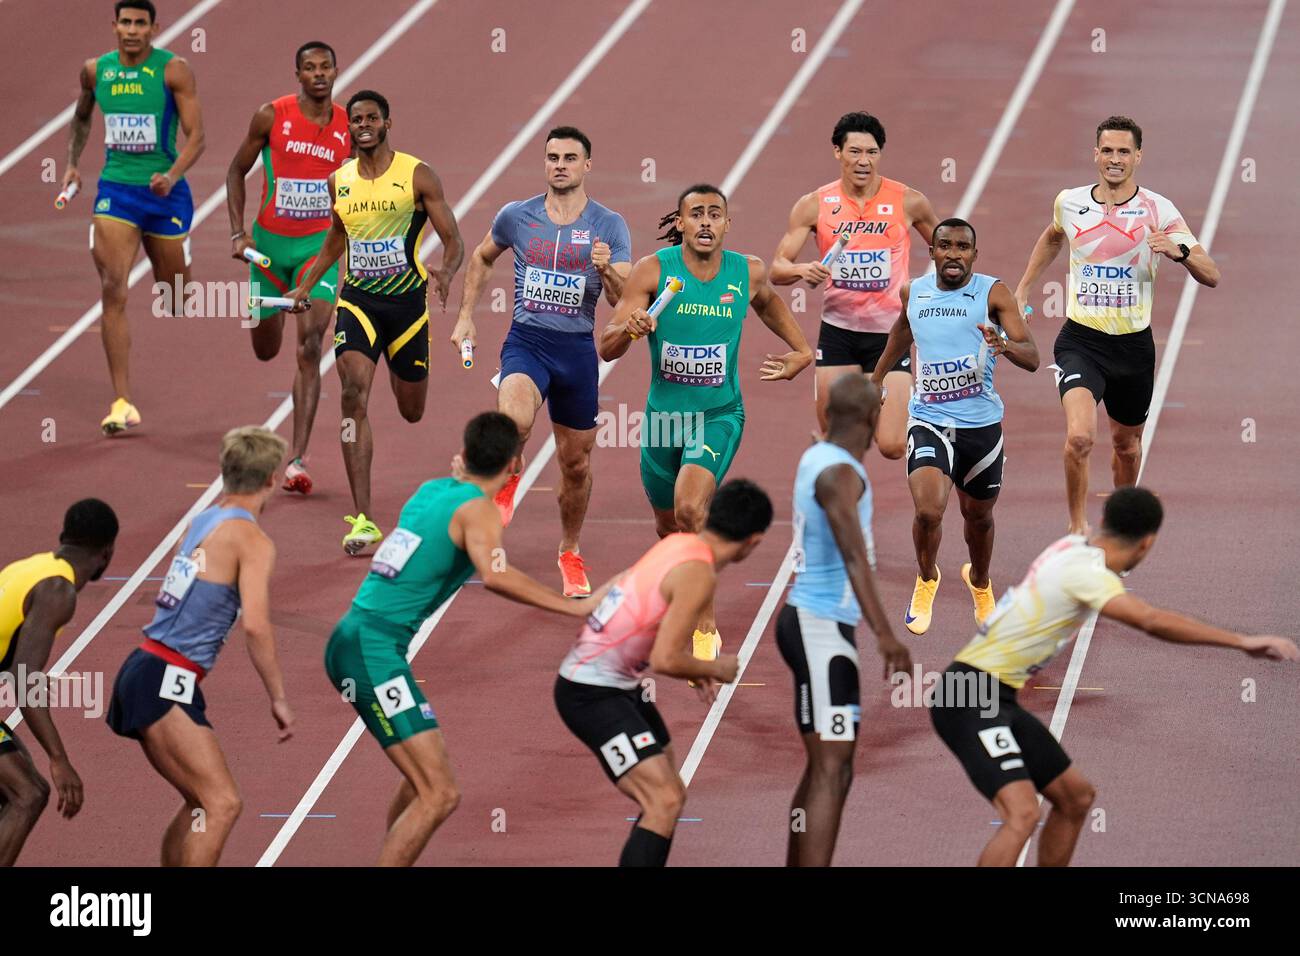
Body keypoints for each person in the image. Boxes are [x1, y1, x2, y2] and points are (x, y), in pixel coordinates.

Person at [930, 486, 1298, 866]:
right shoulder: (1088, 573)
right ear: (1146, 544)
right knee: (1022, 815)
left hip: (993, 695)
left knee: (1075, 798)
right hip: (968, 695)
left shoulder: (1071, 546)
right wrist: (1241, 641)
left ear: (1104, 520)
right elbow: (1151, 621)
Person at [324, 412, 602, 866]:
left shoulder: (431, 491)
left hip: (355, 638)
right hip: (372, 652)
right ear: (517, 463)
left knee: (422, 780)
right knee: (441, 794)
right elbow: (494, 575)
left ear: (465, 453)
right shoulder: (478, 511)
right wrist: (569, 605)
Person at [600, 183, 812, 662]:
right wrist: (628, 330)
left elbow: (768, 302)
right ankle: (681, 583)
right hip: (661, 421)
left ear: (727, 224)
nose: (705, 223)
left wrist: (802, 350)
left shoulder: (746, 271)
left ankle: (704, 624)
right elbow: (606, 345)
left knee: (692, 512)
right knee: (669, 526)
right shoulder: (654, 271)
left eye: (715, 214)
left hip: (718, 415)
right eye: (695, 214)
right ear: (680, 223)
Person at [1013, 115, 1219, 534]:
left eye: (1124, 151)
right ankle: (1076, 531)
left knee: (1126, 446)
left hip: (1133, 348)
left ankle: (1121, 528)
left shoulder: (1159, 209)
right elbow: (1054, 235)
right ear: (1095, 154)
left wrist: (1178, 251)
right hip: (1081, 342)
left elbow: (1211, 273)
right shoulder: (1070, 202)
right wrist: (1022, 289)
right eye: (1107, 150)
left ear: (1138, 157)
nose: (1114, 159)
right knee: (1080, 438)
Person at [450, 127, 632, 596]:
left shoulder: (609, 226)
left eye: (570, 158)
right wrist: (467, 317)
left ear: (587, 165)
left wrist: (605, 267)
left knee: (575, 465)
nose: (560, 165)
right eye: (552, 156)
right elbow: (482, 256)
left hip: (576, 353)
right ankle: (511, 476)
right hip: (526, 341)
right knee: (513, 420)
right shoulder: (517, 216)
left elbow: (621, 300)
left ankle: (569, 551)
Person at [554, 479, 772, 866]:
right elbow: (666, 659)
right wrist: (713, 666)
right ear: (753, 542)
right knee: (664, 799)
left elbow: (626, 583)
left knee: (668, 786)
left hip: (618, 684)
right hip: (590, 692)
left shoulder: (676, 544)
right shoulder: (699, 573)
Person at [106, 427, 294, 866]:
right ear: (270, 479)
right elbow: (257, 626)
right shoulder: (252, 540)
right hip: (167, 678)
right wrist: (279, 697)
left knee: (198, 804)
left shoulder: (200, 521)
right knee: (222, 804)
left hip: (144, 668)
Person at [287, 90, 464, 553]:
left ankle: (402, 369)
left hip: (407, 308)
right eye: (357, 119)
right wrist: (306, 286)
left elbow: (453, 237)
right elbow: (336, 238)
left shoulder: (416, 175)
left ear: (388, 122)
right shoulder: (339, 180)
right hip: (358, 302)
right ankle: (363, 518)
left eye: (372, 118)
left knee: (411, 410)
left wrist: (445, 270)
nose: (363, 125)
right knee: (351, 393)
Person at [871, 219, 1038, 634]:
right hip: (929, 420)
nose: (953, 254)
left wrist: (1004, 345)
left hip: (981, 427)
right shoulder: (914, 292)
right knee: (929, 510)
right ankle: (927, 576)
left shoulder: (992, 293)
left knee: (977, 517)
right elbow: (902, 332)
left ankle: (979, 582)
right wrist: (874, 381)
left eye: (963, 247)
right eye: (944, 246)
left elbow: (1033, 356)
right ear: (932, 251)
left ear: (974, 256)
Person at [777, 374, 911, 866]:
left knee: (827, 768)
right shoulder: (839, 475)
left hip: (813, 622)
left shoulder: (820, 456)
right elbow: (854, 556)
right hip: (820, 626)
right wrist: (887, 637)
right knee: (833, 769)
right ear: (873, 420)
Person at [61, 0, 206, 435]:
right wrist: (71, 162)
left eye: (140, 24)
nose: (132, 30)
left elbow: (197, 136)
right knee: (112, 286)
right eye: (125, 22)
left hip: (164, 194)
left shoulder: (173, 71)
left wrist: (173, 174)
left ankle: (181, 258)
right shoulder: (95, 71)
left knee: (176, 299)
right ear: (114, 26)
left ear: (154, 28)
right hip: (117, 192)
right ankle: (122, 400)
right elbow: (82, 116)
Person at [770, 111, 938, 448]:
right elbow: (777, 269)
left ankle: (927, 423)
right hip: (838, 335)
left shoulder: (909, 201)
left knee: (891, 445)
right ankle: (846, 493)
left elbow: (947, 248)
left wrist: (934, 295)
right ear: (837, 152)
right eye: (855, 152)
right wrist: (803, 270)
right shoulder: (814, 204)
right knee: (837, 439)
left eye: (872, 152)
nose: (864, 161)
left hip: (890, 336)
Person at [226, 41, 350, 494]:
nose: (318, 74)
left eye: (325, 67)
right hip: (268, 252)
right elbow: (235, 171)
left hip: (319, 252)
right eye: (309, 68)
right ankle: (270, 316)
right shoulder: (271, 116)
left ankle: (297, 458)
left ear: (336, 71)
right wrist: (238, 234)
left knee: (310, 345)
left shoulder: (347, 126)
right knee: (265, 348)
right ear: (297, 74)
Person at [0, 499, 118, 865]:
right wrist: (58, 758)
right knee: (27, 794)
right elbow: (25, 678)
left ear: (63, 536)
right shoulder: (57, 590)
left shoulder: (30, 568)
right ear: (106, 553)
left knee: (16, 789)